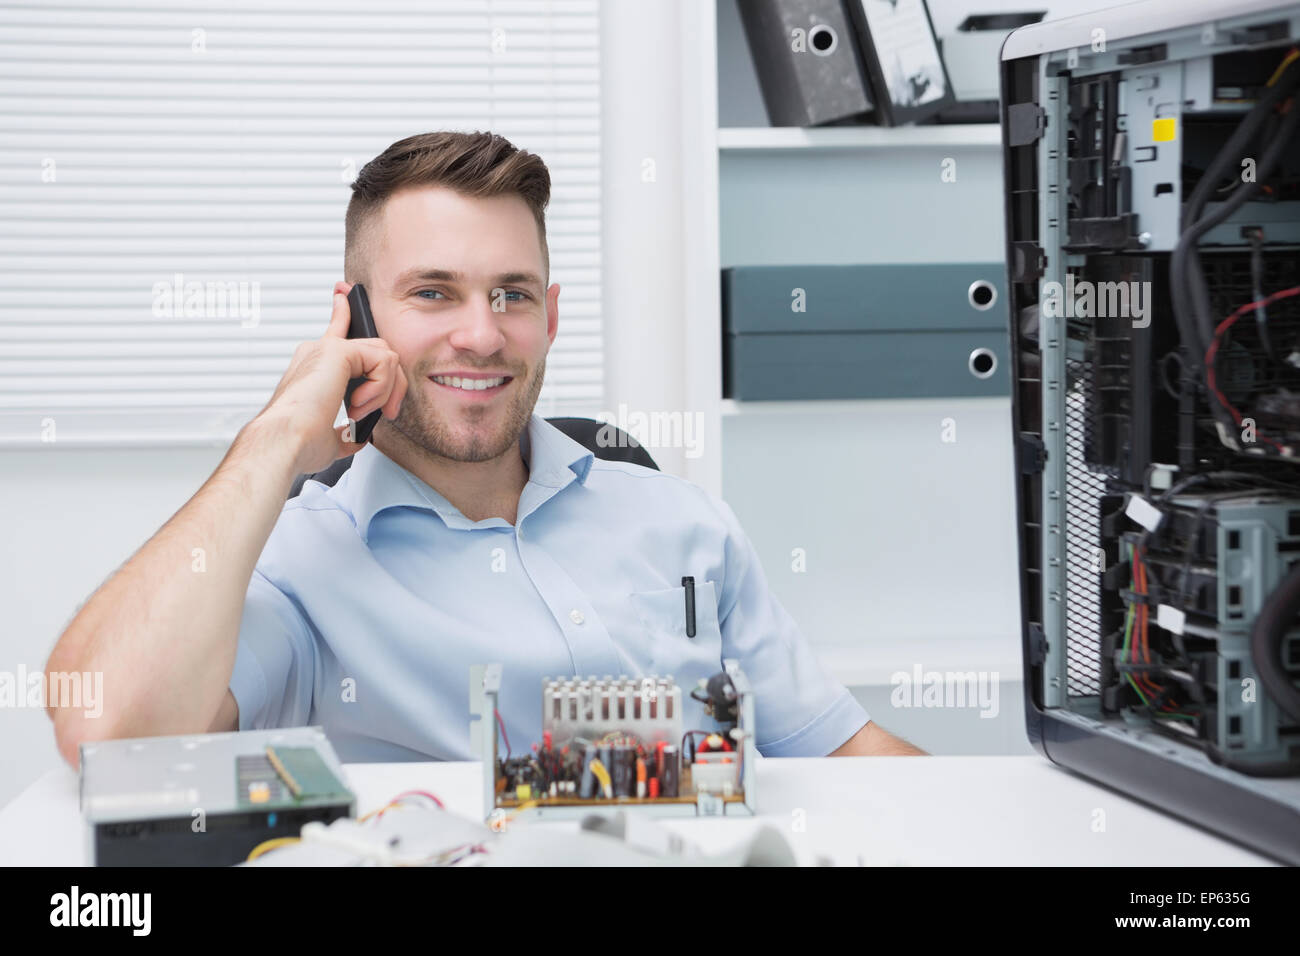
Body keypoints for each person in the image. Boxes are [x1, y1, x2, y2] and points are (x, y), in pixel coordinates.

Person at [46, 131, 924, 766]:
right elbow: (105, 733)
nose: (482, 335)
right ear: (355, 318)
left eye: (511, 294)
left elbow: (845, 753)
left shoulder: (683, 521)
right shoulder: (298, 565)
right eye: (433, 293)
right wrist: (276, 435)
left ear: (551, 316)